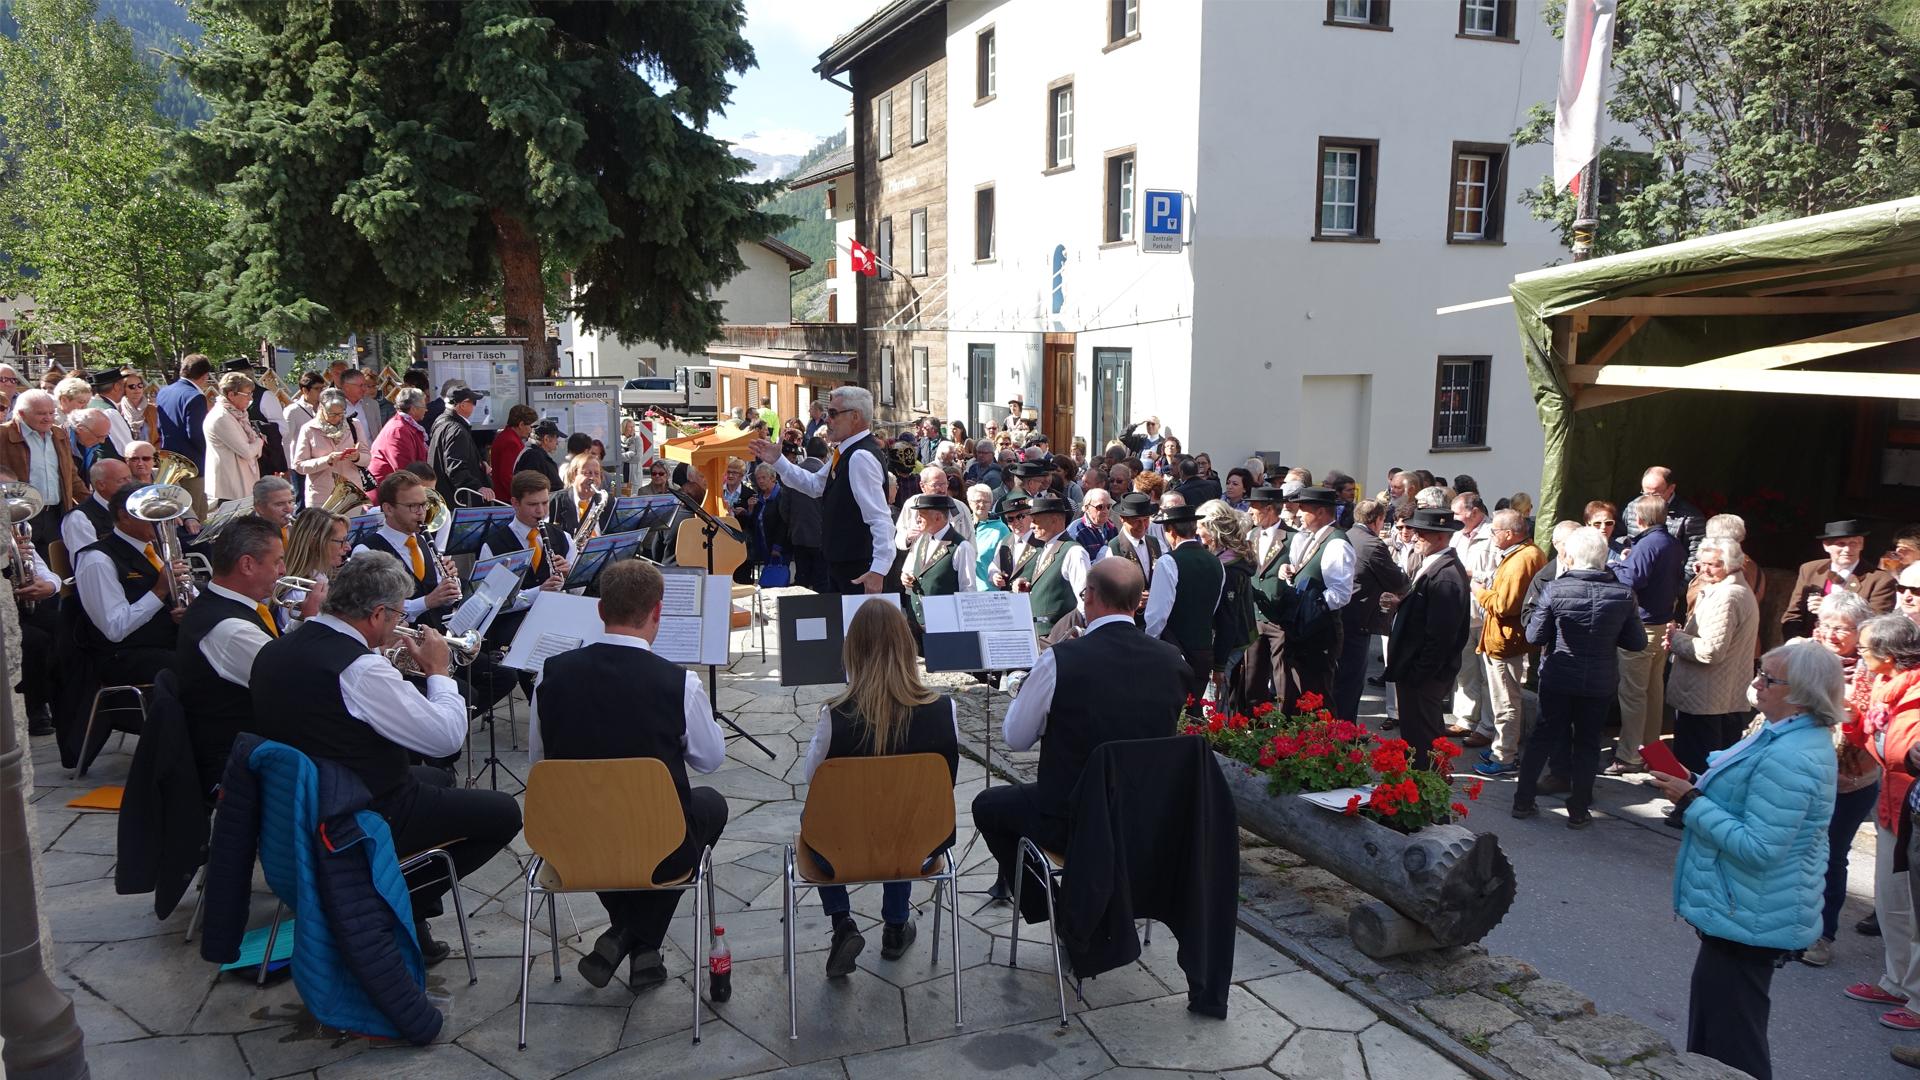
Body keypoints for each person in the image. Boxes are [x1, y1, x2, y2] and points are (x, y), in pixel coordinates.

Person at [249, 550, 523, 962]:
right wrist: (437, 673)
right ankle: (396, 904)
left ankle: (416, 918)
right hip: (360, 810)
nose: (400, 623)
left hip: (300, 800)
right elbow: (445, 740)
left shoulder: (278, 648)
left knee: (441, 780)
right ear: (377, 614)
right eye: (396, 615)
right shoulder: (358, 669)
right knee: (503, 813)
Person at [1648, 641, 1841, 1080]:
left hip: (1751, 914)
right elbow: (1747, 805)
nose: (1757, 682)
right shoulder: (1783, 735)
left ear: (1800, 693)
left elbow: (1760, 847)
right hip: (1742, 909)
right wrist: (1694, 785)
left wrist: (1692, 801)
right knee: (1716, 1030)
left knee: (1732, 1042)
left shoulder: (1792, 756)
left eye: (1768, 678)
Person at [531, 559, 727, 990]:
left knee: (617, 839)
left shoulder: (550, 673)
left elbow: (539, 764)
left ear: (600, 610)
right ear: (658, 611)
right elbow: (710, 760)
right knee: (710, 804)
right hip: (658, 843)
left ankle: (627, 938)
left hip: (574, 844)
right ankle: (633, 938)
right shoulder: (679, 684)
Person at [971, 558, 1186, 898]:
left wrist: (1034, 685)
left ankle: (1051, 906)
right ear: (1136, 601)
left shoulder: (1061, 659)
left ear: (1088, 597)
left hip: (1072, 819)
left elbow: (1016, 738)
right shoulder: (1173, 659)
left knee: (987, 805)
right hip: (1145, 816)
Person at [798, 601, 957, 973]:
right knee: (907, 815)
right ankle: (896, 926)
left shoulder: (834, 715)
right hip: (918, 847)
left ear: (852, 649)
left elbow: (813, 780)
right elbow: (945, 779)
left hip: (840, 852)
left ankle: (842, 924)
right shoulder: (943, 709)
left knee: (815, 817)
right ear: (906, 647)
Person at [175, 517, 319, 793]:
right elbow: (295, 682)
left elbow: (275, 656)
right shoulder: (229, 629)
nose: (283, 570)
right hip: (241, 762)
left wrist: (302, 622)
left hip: (253, 742)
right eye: (277, 561)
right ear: (247, 565)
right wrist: (316, 625)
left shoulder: (231, 607)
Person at [1513, 526, 1645, 824]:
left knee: (1542, 738)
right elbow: (1636, 642)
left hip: (1559, 675)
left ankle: (1522, 801)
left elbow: (1534, 635)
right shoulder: (1623, 594)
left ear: (1570, 557)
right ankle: (1579, 809)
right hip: (1598, 680)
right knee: (1587, 743)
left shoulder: (1556, 589)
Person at [748, 386, 892, 595]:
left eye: (833, 414)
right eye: (826, 414)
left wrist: (878, 570)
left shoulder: (860, 456)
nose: (827, 420)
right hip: (842, 564)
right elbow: (815, 485)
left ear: (855, 416)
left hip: (857, 568)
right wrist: (778, 461)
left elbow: (880, 518)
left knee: (855, 627)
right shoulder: (846, 451)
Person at [1802, 591, 1880, 967]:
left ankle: (1822, 935)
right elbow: (1758, 690)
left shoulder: (1875, 669)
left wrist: (1850, 713)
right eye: (1826, 625)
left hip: (1852, 780)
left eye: (1843, 628)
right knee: (1795, 851)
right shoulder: (1803, 655)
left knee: (1831, 856)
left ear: (1860, 631)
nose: (1832, 634)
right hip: (1802, 774)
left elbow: (1881, 724)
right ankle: (1789, 925)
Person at [1849, 614, 1920, 1029]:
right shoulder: (1882, 689)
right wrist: (1853, 719)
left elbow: (1902, 754)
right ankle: (1895, 981)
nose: (1859, 654)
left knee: (1916, 910)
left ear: (1889, 656)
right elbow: (1878, 747)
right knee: (1891, 902)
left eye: (1865, 648)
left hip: (1913, 813)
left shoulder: (1912, 695)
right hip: (1893, 808)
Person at [1382, 508, 1472, 769]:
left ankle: (1427, 800)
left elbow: (1441, 637)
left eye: (1422, 532)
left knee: (1424, 744)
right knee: (1416, 741)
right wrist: (1402, 605)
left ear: (1443, 537)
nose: (1413, 536)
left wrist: (1419, 675)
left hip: (1423, 676)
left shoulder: (1445, 576)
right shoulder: (1434, 565)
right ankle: (1419, 794)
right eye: (1413, 530)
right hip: (1416, 672)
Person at [1666, 538, 1762, 775]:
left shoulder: (1726, 596)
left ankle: (1687, 808)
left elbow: (1710, 651)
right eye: (1701, 564)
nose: (1705, 570)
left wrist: (1675, 638)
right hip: (1718, 696)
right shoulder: (1734, 589)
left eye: (1714, 565)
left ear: (1732, 565)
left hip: (1704, 697)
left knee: (1696, 767)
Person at [1608, 495, 1687, 774]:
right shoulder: (1672, 543)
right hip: (1662, 624)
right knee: (1653, 691)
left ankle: (1629, 755)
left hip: (1643, 626)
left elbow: (1632, 580)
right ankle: (1650, 748)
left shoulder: (1648, 543)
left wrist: (1616, 565)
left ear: (1639, 518)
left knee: (1633, 694)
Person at [1470, 509, 1546, 777]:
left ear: (1510, 534)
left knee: (1505, 701)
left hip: (1506, 641)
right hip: (1503, 638)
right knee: (1504, 698)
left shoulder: (1521, 559)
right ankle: (1501, 749)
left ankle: (1504, 756)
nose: (1491, 536)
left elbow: (1504, 605)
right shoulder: (1524, 554)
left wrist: (1479, 591)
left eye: (1494, 531)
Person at [353, 471, 461, 625]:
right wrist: (427, 601)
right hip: (398, 642)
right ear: (388, 509)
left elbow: (439, 595)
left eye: (423, 505)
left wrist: (449, 591)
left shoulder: (423, 540)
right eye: (412, 506)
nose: (421, 513)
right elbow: (375, 607)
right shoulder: (366, 551)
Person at [1336, 497, 1409, 727]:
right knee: (1351, 680)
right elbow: (1397, 579)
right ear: (1378, 520)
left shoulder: (1345, 535)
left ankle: (1339, 729)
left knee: (1341, 678)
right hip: (1358, 617)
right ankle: (1345, 733)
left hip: (1342, 615)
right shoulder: (1372, 544)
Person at [1144, 502, 1223, 699]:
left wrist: (1149, 646)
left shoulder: (1168, 561)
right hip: (1203, 649)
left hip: (1174, 651)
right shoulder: (1216, 562)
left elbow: (1157, 616)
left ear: (1169, 530)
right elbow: (1213, 606)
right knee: (1194, 708)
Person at [1782, 519, 1897, 641]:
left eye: (1854, 543)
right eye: (1841, 544)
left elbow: (1876, 625)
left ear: (1862, 544)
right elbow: (1793, 616)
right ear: (1826, 546)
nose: (1848, 550)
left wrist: (1829, 608)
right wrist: (1796, 643)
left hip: (1853, 651)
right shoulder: (1810, 570)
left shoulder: (1880, 580)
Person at [1239, 485, 1293, 708]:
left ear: (1269, 508)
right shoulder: (1251, 535)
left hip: (1280, 619)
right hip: (1253, 616)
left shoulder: (1292, 537)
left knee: (1282, 679)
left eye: (1254, 507)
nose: (1250, 511)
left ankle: (1282, 727)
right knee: (1252, 676)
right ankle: (1253, 728)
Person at [1198, 500, 1256, 707]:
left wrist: (1219, 666)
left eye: (1201, 527)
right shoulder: (1227, 557)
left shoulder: (1229, 569)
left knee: (1213, 705)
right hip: (1230, 641)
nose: (1197, 532)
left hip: (1226, 646)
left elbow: (1228, 620)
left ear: (1213, 530)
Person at [1447, 492, 1494, 744]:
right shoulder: (1456, 535)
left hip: (1485, 613)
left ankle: (1487, 726)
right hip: (1462, 610)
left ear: (1474, 512)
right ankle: (1465, 719)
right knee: (1465, 670)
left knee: (1488, 673)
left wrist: (1472, 573)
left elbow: (1500, 572)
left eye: (1458, 513)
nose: (1454, 518)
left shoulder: (1493, 533)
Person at [1010, 494, 1088, 638]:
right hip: (1041, 637)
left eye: (1035, 520)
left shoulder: (1074, 552)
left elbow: (1087, 601)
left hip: (1059, 639)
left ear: (1054, 520)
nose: (1031, 525)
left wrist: (1071, 634)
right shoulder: (1045, 548)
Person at [899, 493, 974, 628]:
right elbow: (911, 568)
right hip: (915, 620)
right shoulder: (922, 539)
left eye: (921, 515)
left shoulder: (962, 547)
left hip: (944, 623)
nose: (917, 520)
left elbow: (968, 590)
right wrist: (906, 577)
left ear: (938, 517)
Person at [293, 388, 369, 501]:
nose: (337, 418)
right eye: (331, 414)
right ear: (321, 408)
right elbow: (299, 465)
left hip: (351, 493)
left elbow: (367, 458)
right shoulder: (309, 429)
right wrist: (327, 460)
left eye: (341, 413)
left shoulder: (354, 425)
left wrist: (357, 457)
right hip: (321, 495)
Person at [203, 372, 264, 510]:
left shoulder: (238, 414)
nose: (250, 398)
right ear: (231, 395)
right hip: (230, 488)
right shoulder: (221, 417)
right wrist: (259, 441)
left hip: (242, 483)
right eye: (247, 394)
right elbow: (247, 452)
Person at [429, 387, 490, 506]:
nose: (475, 406)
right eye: (473, 402)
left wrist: (480, 464)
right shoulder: (456, 429)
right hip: (457, 500)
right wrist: (477, 487)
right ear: (462, 405)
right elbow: (455, 467)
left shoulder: (441, 422)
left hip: (444, 497)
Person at [1639, 466, 1707, 573]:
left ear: (1671, 488)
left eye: (1656, 494)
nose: (1650, 498)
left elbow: (1697, 554)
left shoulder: (1690, 516)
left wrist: (1680, 586)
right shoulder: (1633, 507)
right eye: (1646, 493)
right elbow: (1617, 534)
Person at [61, 458, 132, 559]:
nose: (129, 484)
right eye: (122, 480)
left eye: (130, 478)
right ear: (101, 485)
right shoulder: (79, 518)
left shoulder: (130, 507)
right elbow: (91, 559)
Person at [368, 387, 430, 491]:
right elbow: (404, 469)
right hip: (386, 492)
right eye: (424, 406)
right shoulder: (398, 430)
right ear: (413, 409)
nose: (426, 410)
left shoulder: (404, 425)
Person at [283, 506, 352, 586]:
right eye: (341, 541)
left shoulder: (320, 577)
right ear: (315, 543)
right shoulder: (300, 593)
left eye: (346, 539)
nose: (348, 547)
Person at [86, 368, 135, 455]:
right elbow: (128, 449)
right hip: (112, 466)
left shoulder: (90, 404)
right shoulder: (110, 412)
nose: (125, 389)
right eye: (123, 385)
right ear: (116, 386)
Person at [490, 405, 535, 496]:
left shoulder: (507, 436)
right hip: (508, 499)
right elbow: (507, 476)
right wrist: (521, 497)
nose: (531, 430)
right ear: (521, 424)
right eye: (530, 426)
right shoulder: (511, 442)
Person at [968, 484, 1006, 588]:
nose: (982, 505)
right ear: (970, 503)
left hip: (989, 591)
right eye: (978, 501)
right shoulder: (963, 526)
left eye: (986, 502)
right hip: (965, 589)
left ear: (991, 504)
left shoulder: (1001, 529)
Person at [1065, 487, 1117, 561]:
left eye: (1108, 506)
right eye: (1100, 507)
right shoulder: (1076, 531)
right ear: (1087, 508)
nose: (1105, 511)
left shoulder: (1111, 526)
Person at [514, 419, 564, 492]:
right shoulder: (533, 456)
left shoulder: (534, 454)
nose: (557, 443)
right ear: (546, 439)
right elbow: (532, 487)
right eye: (556, 438)